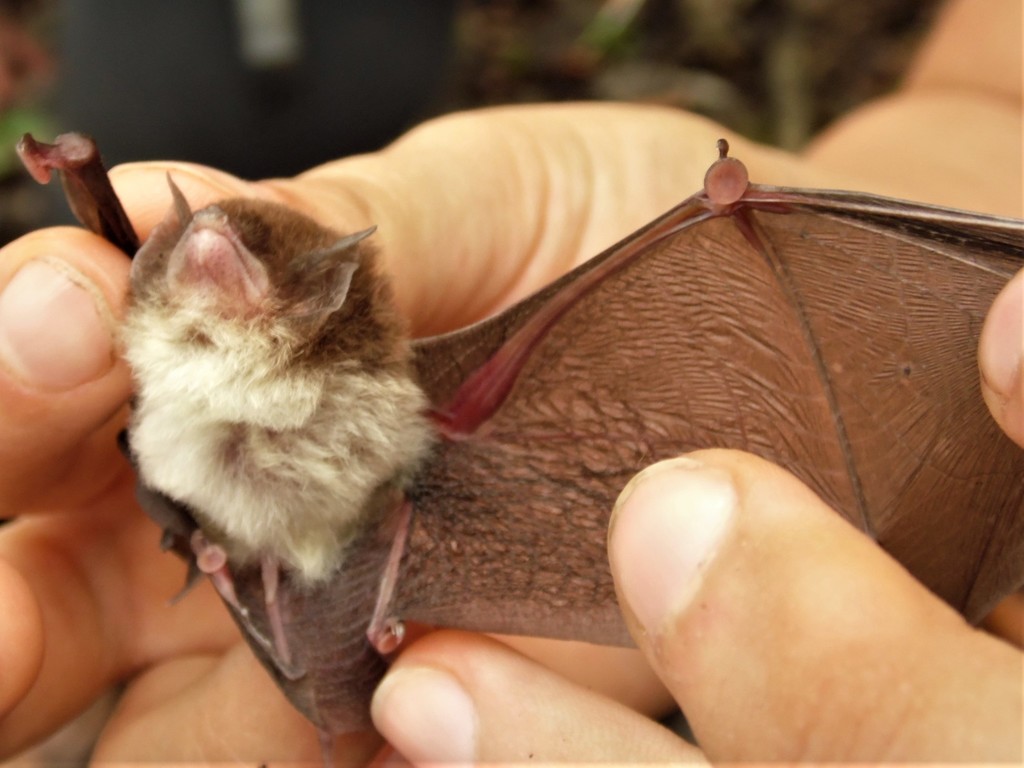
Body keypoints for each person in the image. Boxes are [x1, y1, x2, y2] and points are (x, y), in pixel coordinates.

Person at [0, 0, 1020, 762]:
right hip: (229, 509)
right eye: (200, 247)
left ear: (307, 320)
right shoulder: (157, 323)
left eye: (235, 262)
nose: (209, 240)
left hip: (327, 532)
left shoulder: (378, 417)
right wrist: (79, 173)